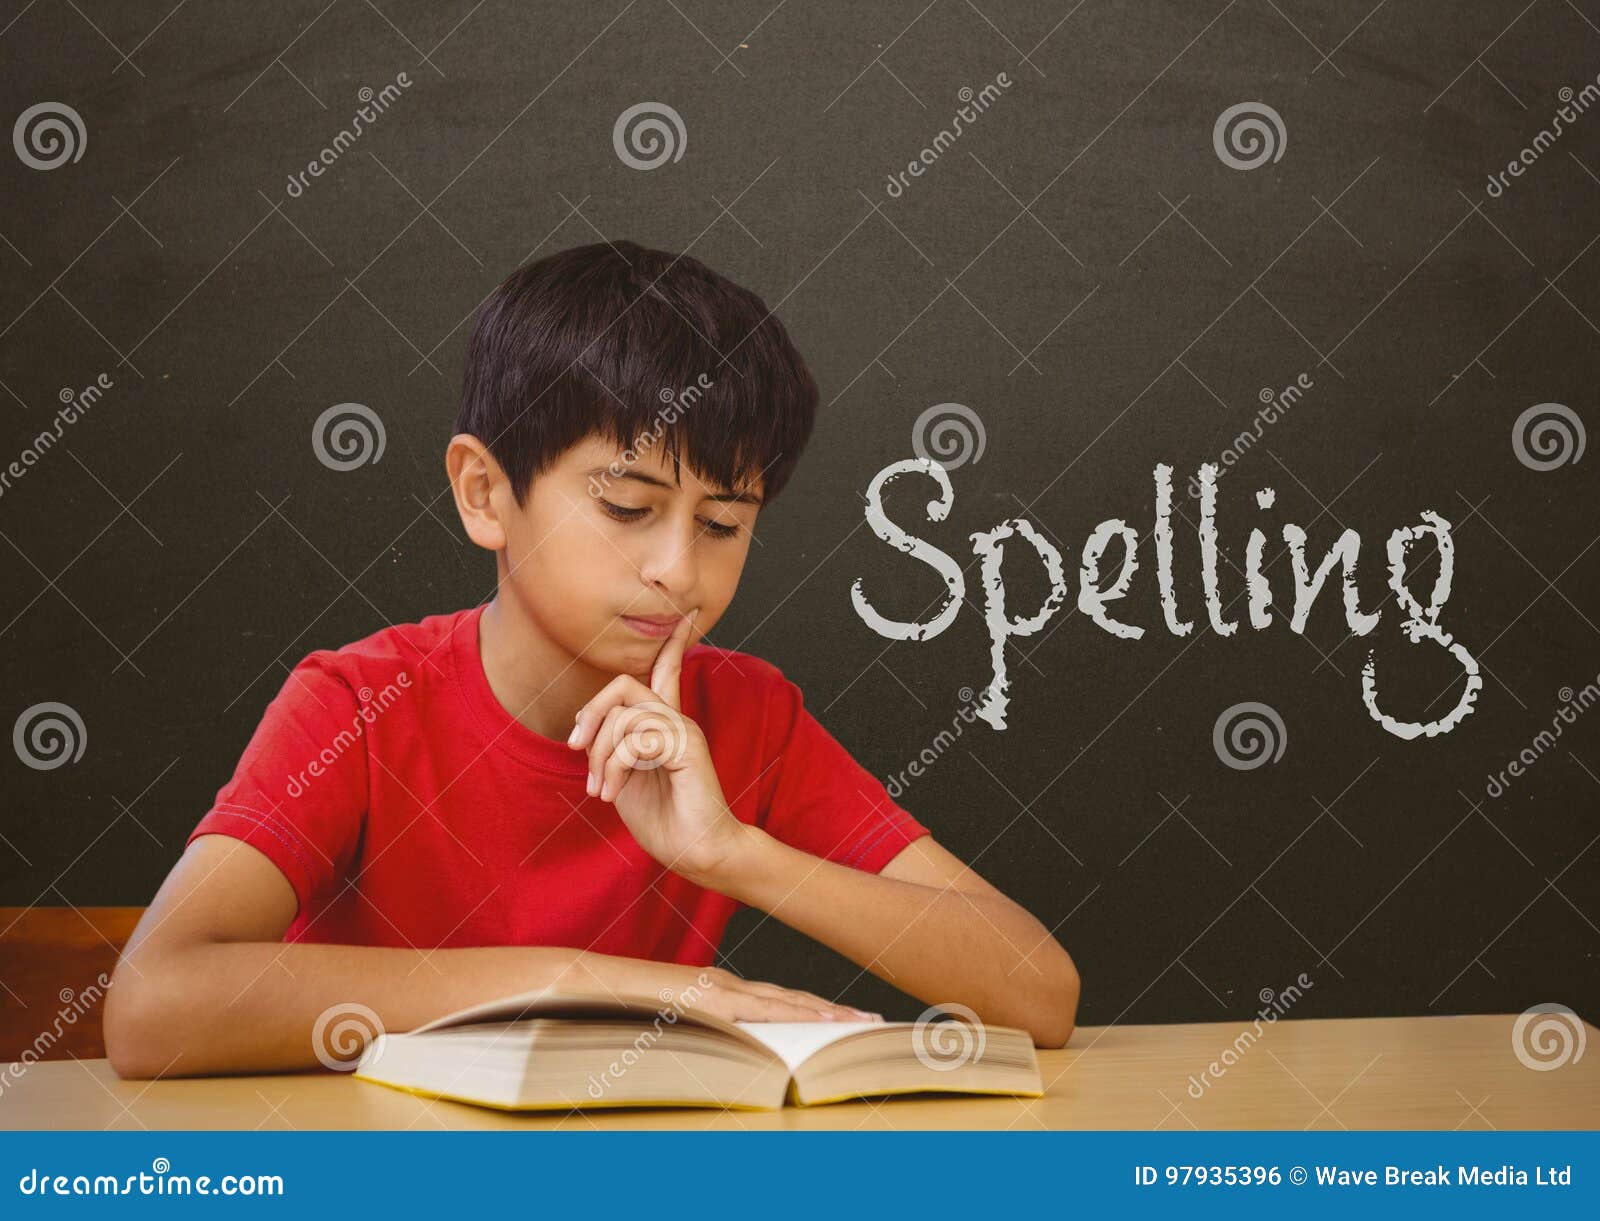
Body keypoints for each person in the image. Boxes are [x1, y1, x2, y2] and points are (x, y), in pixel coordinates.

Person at [104, 240, 1079, 1078]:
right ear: (485, 494)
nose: (676, 570)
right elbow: (152, 1006)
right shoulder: (359, 702)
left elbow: (1038, 990)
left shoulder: (740, 714)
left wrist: (729, 852)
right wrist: (576, 983)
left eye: (723, 522)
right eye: (626, 508)